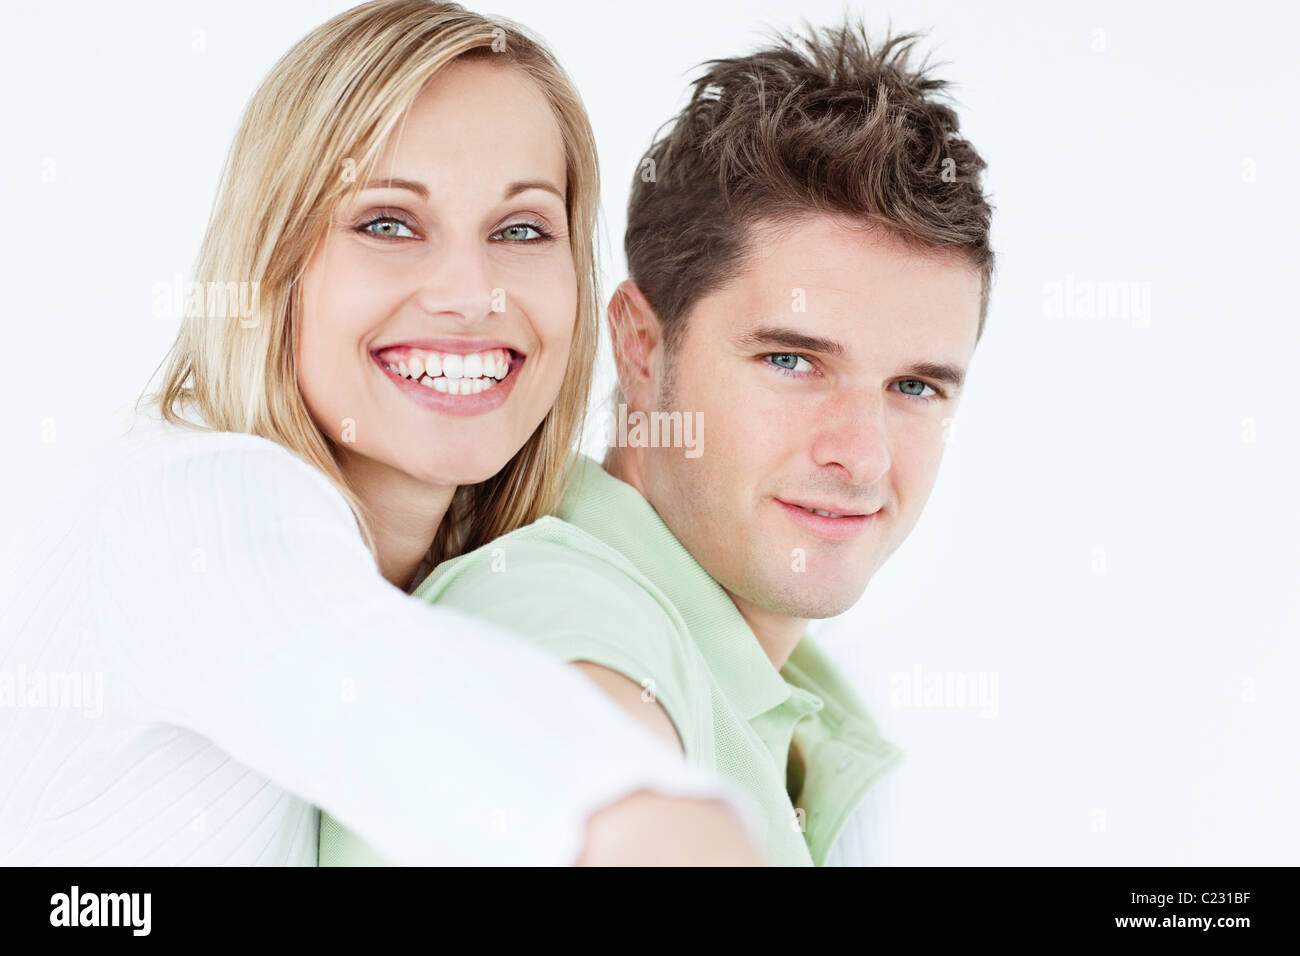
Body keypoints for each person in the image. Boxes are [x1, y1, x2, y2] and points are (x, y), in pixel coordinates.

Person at [0, 0, 765, 867]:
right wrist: (644, 819)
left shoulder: (505, 565)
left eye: (520, 229)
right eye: (387, 223)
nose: (471, 294)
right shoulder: (198, 497)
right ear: (271, 265)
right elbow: (382, 695)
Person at [319, 21, 995, 866]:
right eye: (791, 361)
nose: (861, 457)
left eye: (915, 387)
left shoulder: (808, 698)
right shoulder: (548, 607)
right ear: (641, 346)